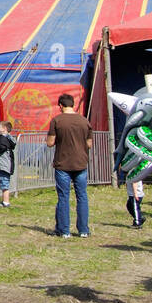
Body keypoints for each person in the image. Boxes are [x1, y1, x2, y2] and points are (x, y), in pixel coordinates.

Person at [46, 93, 92, 238]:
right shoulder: (84, 121)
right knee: (82, 196)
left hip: (62, 164)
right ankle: (83, 230)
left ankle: (64, 230)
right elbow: (89, 144)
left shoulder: (57, 121)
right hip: (81, 163)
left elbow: (50, 143)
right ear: (72, 104)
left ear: (60, 105)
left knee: (63, 197)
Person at [0, 121, 17, 208]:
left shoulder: (3, 139)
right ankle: (5, 201)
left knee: (4, 183)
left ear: (4, 129)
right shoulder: (8, 139)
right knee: (4, 182)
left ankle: (6, 202)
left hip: (4, 164)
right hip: (6, 164)